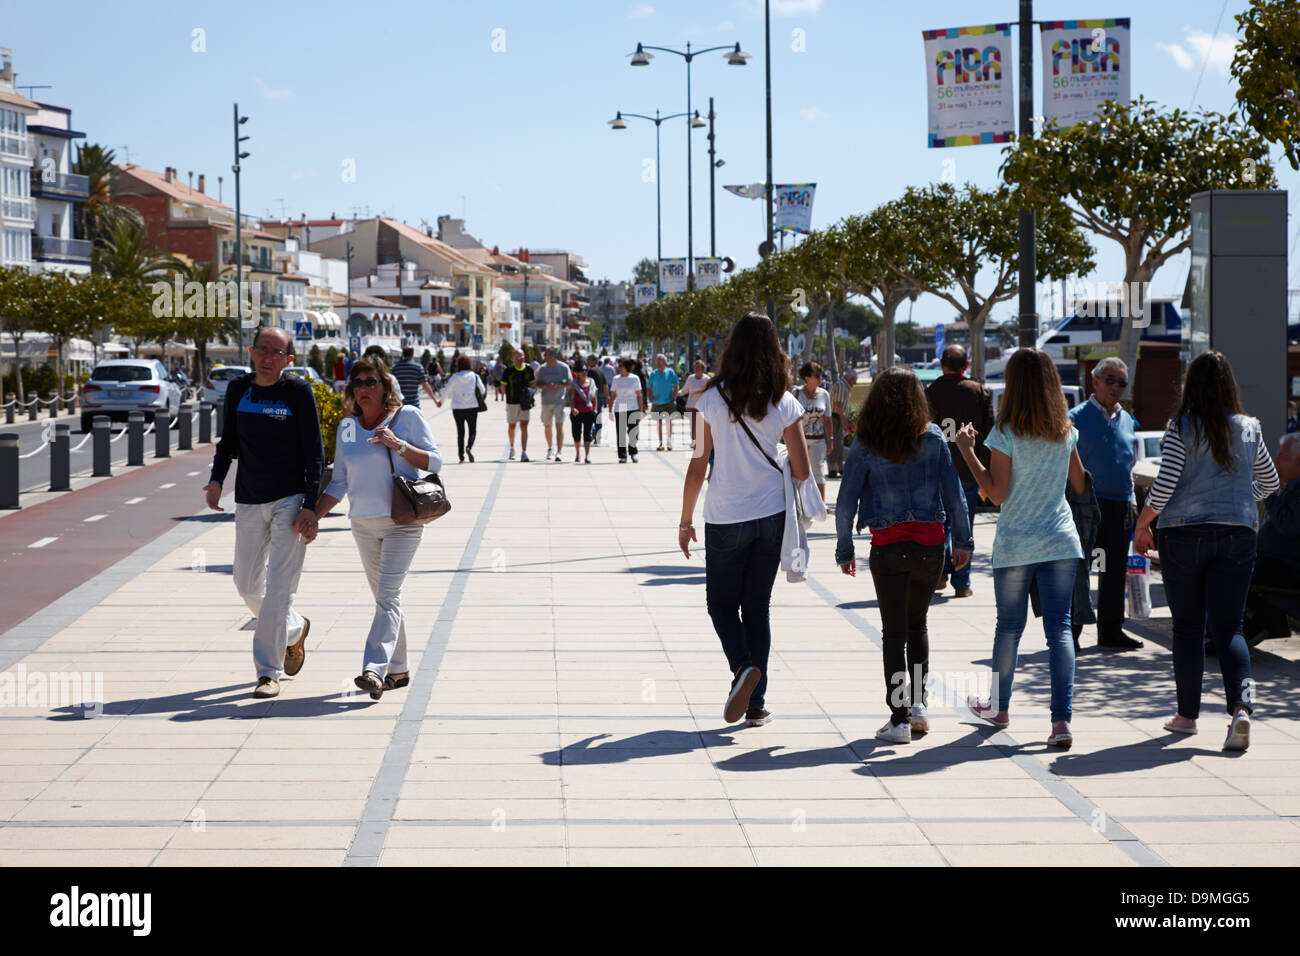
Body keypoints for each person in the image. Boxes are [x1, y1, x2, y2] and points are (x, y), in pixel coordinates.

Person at [1134, 351, 1280, 751]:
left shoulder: (1181, 426)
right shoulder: (1250, 428)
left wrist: (1143, 523)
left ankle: (1187, 716)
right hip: (1238, 535)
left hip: (1184, 535)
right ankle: (1241, 710)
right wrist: (1240, 503)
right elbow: (1270, 481)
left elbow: (1165, 483)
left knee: (1187, 628)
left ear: (1190, 386)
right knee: (1229, 627)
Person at [679, 313, 811, 728]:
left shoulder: (709, 400)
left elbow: (699, 463)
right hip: (770, 515)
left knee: (719, 604)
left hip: (725, 515)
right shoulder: (783, 400)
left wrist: (684, 522)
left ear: (731, 348)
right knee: (757, 608)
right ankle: (756, 705)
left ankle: (742, 668)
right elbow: (804, 471)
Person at [955, 348, 1085, 749]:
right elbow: (1079, 484)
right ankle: (1061, 722)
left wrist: (966, 451)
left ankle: (999, 706)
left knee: (1009, 628)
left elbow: (995, 494)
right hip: (1061, 538)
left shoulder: (1006, 431)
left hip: (1016, 543)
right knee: (1060, 629)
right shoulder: (1066, 428)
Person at [836, 367, 972, 743]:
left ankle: (898, 719)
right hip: (930, 548)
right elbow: (955, 496)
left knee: (894, 633)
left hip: (888, 548)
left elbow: (845, 500)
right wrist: (963, 544)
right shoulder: (933, 438)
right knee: (919, 625)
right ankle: (919, 706)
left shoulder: (866, 441)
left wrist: (844, 547)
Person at [310, 357, 442, 700]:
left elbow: (436, 461)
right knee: (386, 600)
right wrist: (313, 516)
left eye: (371, 381)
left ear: (385, 385)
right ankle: (399, 671)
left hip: (403, 521)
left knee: (387, 596)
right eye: (358, 383)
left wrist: (397, 444)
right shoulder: (348, 427)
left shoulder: (407, 417)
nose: (364, 388)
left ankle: (374, 669)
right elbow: (339, 482)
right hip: (363, 525)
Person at [203, 326, 323, 699]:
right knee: (246, 583)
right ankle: (293, 628)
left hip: (289, 500)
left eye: (277, 352)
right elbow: (228, 443)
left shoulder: (298, 392)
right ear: (252, 352)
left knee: (279, 590)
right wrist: (216, 481)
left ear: (289, 360)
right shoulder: (240, 389)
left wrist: (310, 505)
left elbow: (315, 452)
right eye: (262, 350)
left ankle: (267, 673)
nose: (268, 358)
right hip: (249, 499)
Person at [1069, 357, 1142, 650]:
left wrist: (1133, 500)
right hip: (1085, 504)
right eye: (1109, 380)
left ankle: (1110, 630)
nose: (1115, 387)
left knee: (1114, 571)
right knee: (1079, 570)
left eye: (1121, 382)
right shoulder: (1075, 416)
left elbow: (1129, 464)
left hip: (1120, 504)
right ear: (1095, 381)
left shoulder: (1128, 420)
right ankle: (1070, 634)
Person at [925, 344, 993, 598]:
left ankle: (941, 571)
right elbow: (988, 435)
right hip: (969, 469)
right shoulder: (979, 391)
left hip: (937, 470)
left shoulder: (930, 391)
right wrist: (987, 473)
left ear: (942, 364)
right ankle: (962, 582)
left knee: (940, 524)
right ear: (966, 365)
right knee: (965, 523)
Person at [1243, 432, 1300, 644]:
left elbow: (1287, 525)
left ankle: (1257, 626)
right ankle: (1264, 625)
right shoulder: (1292, 487)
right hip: (1277, 562)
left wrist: (1268, 492)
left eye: (1282, 457)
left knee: (1233, 567)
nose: (1275, 462)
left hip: (1290, 566)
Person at [793, 361, 831, 501]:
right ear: (807, 378)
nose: (821, 378)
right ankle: (801, 502)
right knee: (799, 472)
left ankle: (821, 503)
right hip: (799, 439)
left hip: (818, 439)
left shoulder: (824, 394)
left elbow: (827, 419)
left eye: (821, 375)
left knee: (818, 470)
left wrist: (830, 439)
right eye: (817, 375)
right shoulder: (796, 393)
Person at [534, 347, 573, 462]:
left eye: (547, 355)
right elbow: (538, 384)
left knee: (559, 425)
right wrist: (546, 386)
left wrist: (558, 386)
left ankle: (559, 452)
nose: (545, 357)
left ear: (553, 356)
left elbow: (569, 382)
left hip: (559, 401)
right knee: (547, 426)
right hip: (546, 401)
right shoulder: (542, 368)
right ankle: (550, 448)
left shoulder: (563, 367)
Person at [446, 354, 486, 463]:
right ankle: (469, 447)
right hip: (472, 407)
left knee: (460, 432)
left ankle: (461, 457)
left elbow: (446, 390)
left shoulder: (454, 376)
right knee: (472, 431)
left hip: (457, 408)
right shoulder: (475, 376)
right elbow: (482, 390)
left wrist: (440, 401)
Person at [500, 349, 535, 462]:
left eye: (521, 358)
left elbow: (531, 384)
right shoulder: (508, 371)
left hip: (525, 403)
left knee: (524, 426)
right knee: (512, 426)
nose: (519, 360)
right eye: (517, 358)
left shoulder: (529, 370)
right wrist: (509, 397)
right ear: (512, 359)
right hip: (512, 403)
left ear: (524, 357)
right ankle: (512, 447)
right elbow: (503, 387)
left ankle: (524, 452)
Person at [610, 358, 644, 463]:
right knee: (621, 433)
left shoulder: (635, 378)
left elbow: (639, 395)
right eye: (619, 366)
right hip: (620, 408)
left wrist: (641, 410)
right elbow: (613, 395)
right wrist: (610, 409)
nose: (619, 368)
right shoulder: (616, 379)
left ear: (627, 367)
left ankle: (633, 453)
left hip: (633, 407)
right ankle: (622, 456)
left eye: (621, 366)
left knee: (633, 432)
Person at [827, 369, 857, 478]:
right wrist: (844, 421)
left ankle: (839, 468)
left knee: (839, 444)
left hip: (837, 417)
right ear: (850, 378)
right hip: (835, 418)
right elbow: (837, 405)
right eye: (854, 380)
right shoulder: (841, 386)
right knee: (835, 444)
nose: (855, 383)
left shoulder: (843, 386)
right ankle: (832, 469)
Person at [648, 353, 680, 451]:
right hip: (657, 402)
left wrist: (674, 393)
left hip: (668, 401)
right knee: (659, 423)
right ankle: (660, 443)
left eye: (660, 361)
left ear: (665, 363)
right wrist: (650, 397)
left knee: (669, 421)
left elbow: (676, 384)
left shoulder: (670, 372)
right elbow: (649, 387)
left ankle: (669, 443)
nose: (658, 363)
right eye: (657, 361)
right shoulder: (653, 373)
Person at [569, 365, 598, 463]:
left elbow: (594, 398)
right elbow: (571, 399)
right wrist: (573, 409)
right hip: (577, 412)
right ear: (577, 372)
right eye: (582, 370)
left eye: (586, 370)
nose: (584, 372)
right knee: (576, 434)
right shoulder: (574, 383)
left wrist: (595, 410)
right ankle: (577, 454)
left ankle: (587, 455)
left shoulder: (592, 382)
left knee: (588, 434)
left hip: (589, 412)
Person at [680, 359, 711, 447]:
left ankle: (701, 441)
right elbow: (685, 389)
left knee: (701, 424)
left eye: (698, 367)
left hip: (703, 406)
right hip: (692, 405)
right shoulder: (691, 378)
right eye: (695, 367)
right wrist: (677, 393)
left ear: (702, 368)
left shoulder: (707, 379)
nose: (696, 369)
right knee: (693, 424)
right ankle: (694, 441)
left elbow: (710, 391)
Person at [585, 354, 608, 445]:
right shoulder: (600, 370)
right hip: (600, 396)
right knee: (598, 416)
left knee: (590, 416)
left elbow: (589, 385)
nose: (587, 362)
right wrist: (607, 397)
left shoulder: (591, 371)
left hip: (594, 397)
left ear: (594, 361)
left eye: (589, 360)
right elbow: (605, 384)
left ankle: (593, 434)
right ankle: (598, 436)